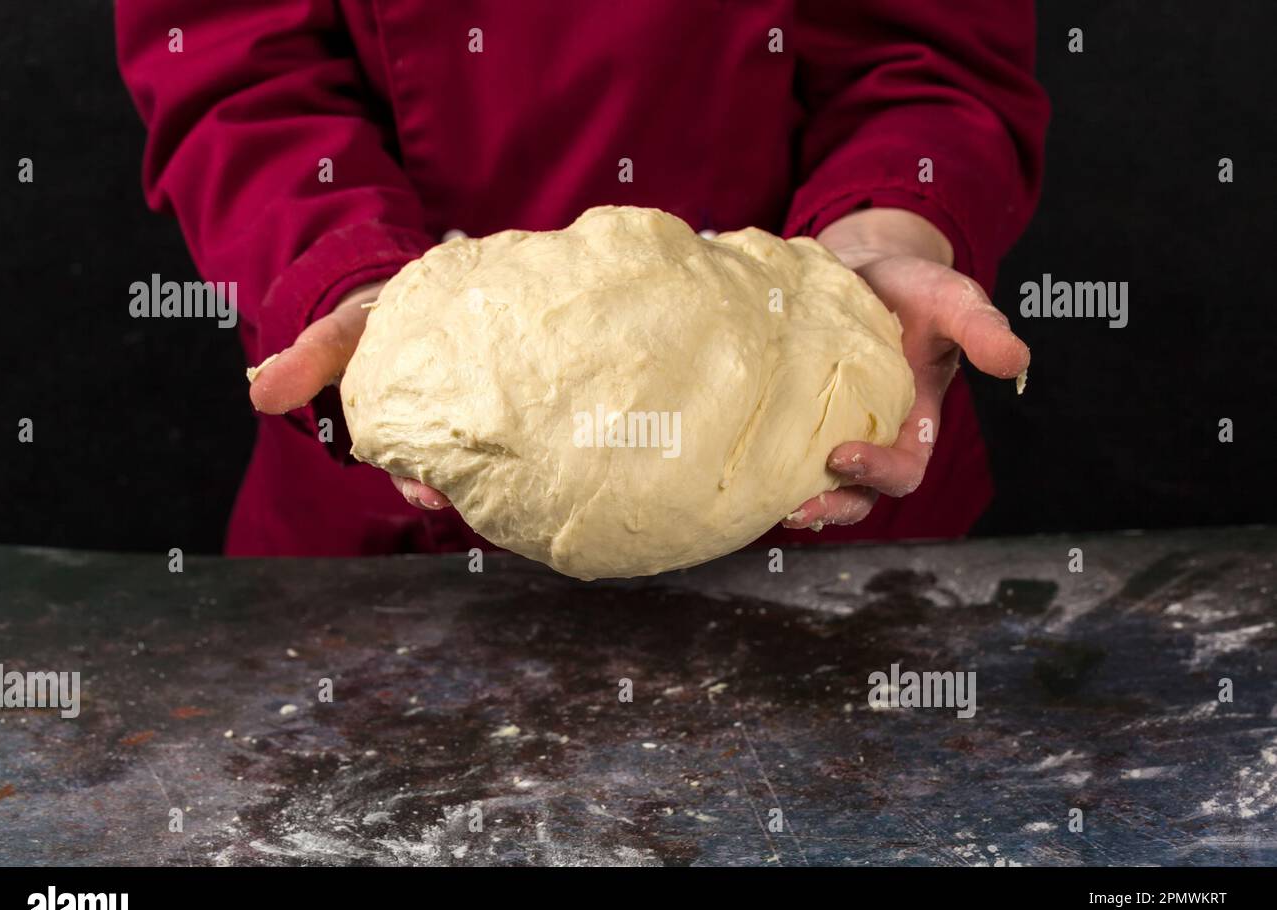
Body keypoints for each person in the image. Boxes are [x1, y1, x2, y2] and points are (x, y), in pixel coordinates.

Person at [116, 1, 1047, 559]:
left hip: (828, 529)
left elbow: (927, 57)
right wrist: (353, 284)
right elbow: (234, 79)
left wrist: (878, 237)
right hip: (380, 543)